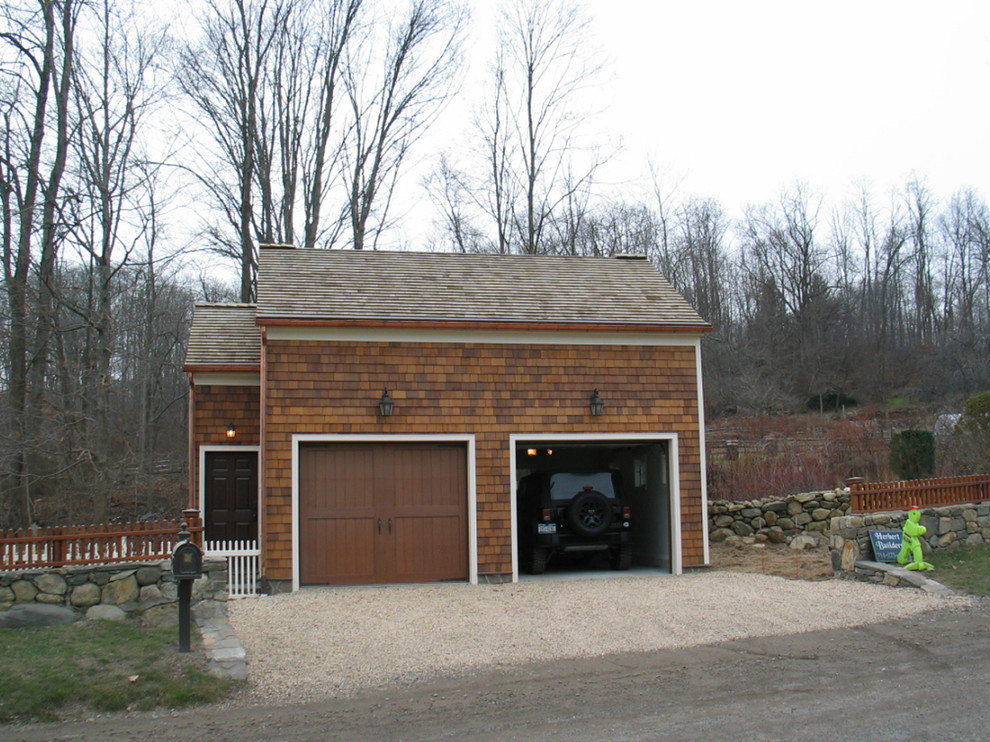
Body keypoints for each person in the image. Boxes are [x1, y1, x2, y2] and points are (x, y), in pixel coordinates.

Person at [897, 506, 933, 571]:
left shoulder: (914, 523)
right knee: (909, 548)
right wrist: (921, 529)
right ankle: (907, 560)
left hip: (910, 538)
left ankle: (904, 559)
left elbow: (915, 529)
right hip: (908, 537)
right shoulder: (909, 523)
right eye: (914, 513)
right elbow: (914, 531)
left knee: (908, 548)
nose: (917, 516)